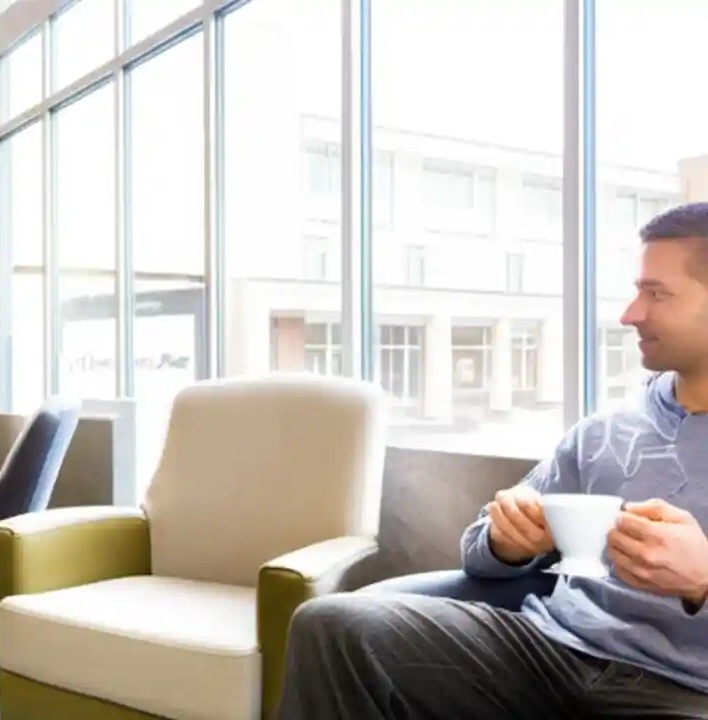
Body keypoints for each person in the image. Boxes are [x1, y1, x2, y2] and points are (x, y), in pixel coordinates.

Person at [278, 202, 708, 719]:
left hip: (685, 690)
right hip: (547, 649)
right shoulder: (606, 430)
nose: (629, 314)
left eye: (656, 293)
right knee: (331, 626)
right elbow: (479, 548)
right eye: (637, 290)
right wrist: (505, 543)